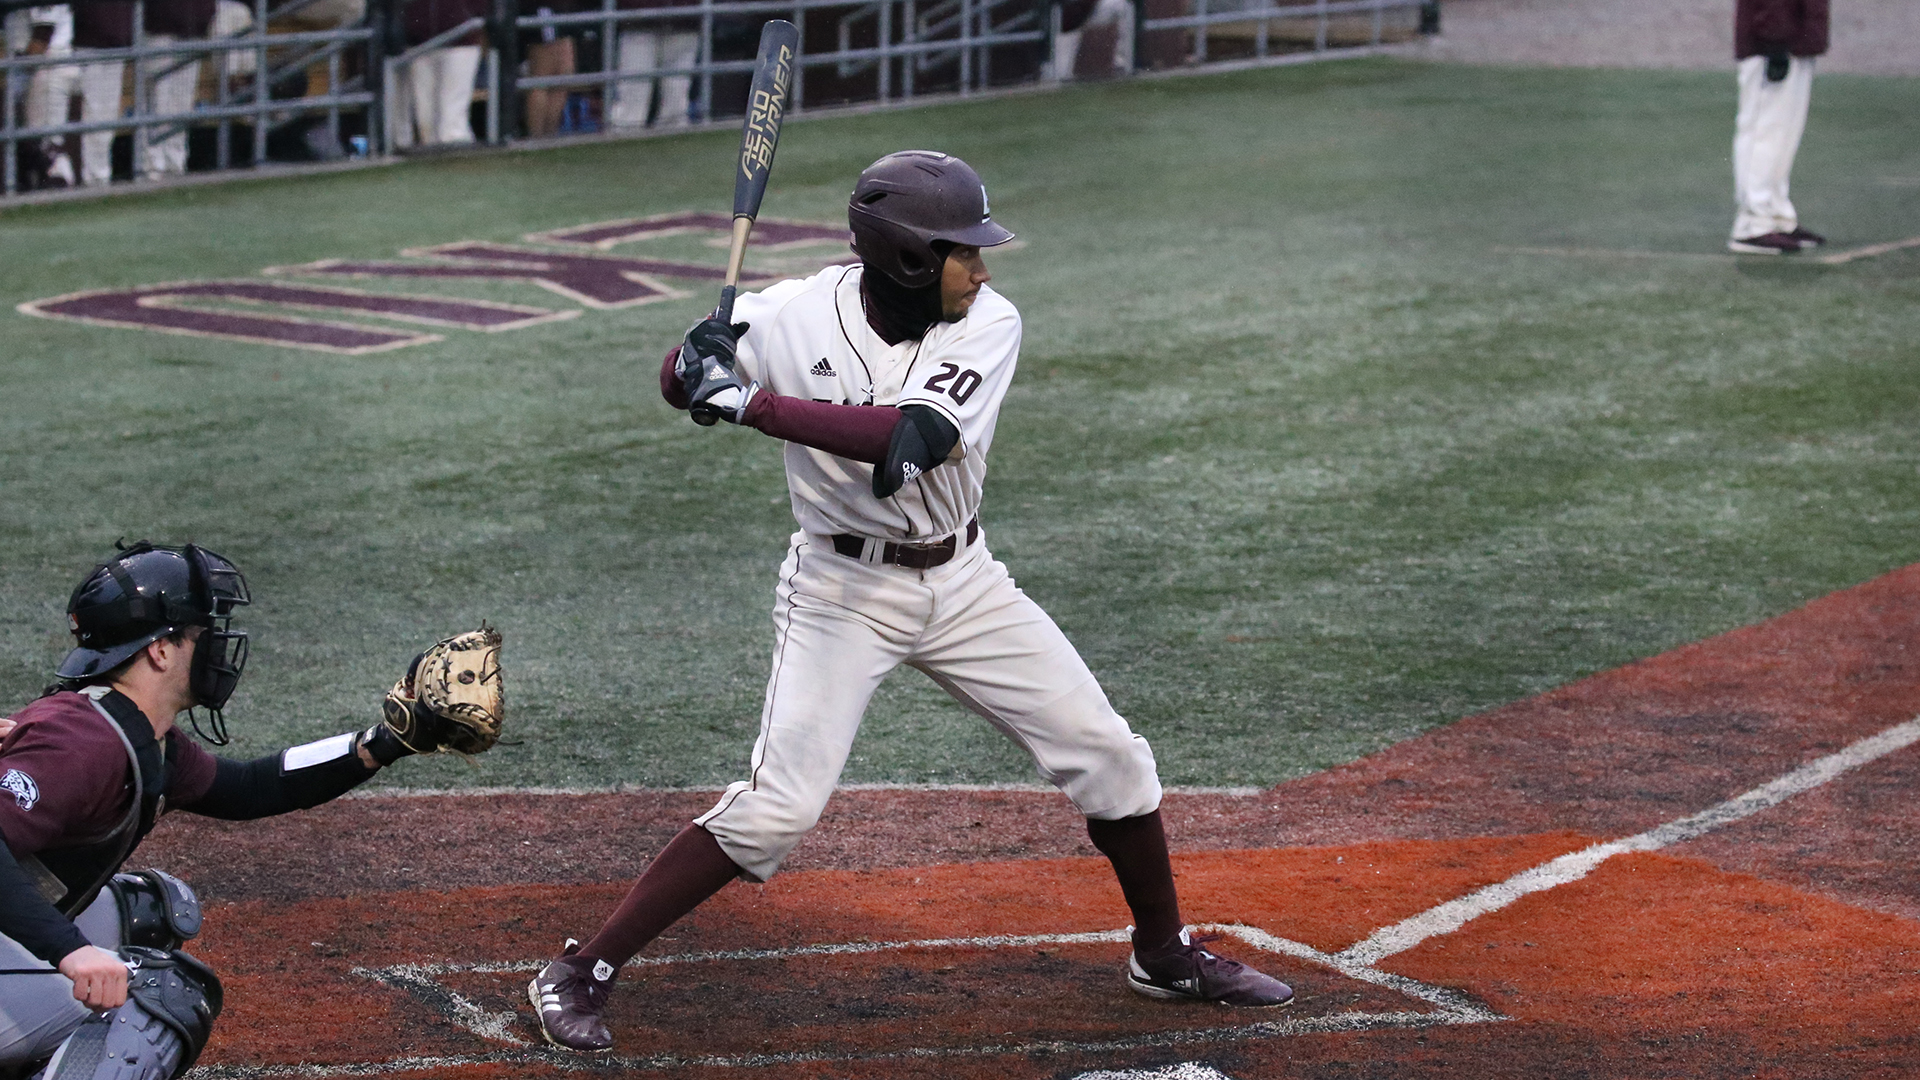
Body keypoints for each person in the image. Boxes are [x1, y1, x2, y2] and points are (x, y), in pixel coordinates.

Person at [526, 150, 1295, 1054]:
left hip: (966, 582)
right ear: (908, 260)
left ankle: (1162, 954)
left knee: (1110, 757)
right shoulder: (788, 313)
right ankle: (581, 969)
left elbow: (912, 440)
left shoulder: (989, 321)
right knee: (779, 809)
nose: (985, 266)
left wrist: (752, 407)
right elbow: (679, 381)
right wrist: (694, 358)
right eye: (965, 251)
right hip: (841, 592)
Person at [0, 541, 500, 1078]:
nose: (217, 646)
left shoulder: (139, 735)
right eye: (203, 632)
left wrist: (385, 743)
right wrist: (71, 952)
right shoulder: (81, 741)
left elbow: (251, 788)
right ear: (160, 650)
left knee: (149, 913)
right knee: (154, 1003)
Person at [1728, 0, 1828, 254]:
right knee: (1764, 132)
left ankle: (1776, 216)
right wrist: (1774, 42)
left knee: (1784, 135)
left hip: (1795, 40)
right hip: (1771, 43)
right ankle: (1752, 224)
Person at [393, 0, 486, 148]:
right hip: (418, 41)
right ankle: (433, 166)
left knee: (452, 122)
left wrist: (473, 15)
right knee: (426, 120)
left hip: (461, 39)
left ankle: (457, 162)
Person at [4, 4, 78, 188]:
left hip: (48, 63)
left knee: (48, 140)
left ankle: (62, 189)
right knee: (37, 138)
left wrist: (16, 68)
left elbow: (43, 34)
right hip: (35, 64)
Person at [608, 0, 698, 130]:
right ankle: (624, 142)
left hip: (684, 22)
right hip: (638, 22)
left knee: (676, 98)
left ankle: (673, 143)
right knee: (634, 96)